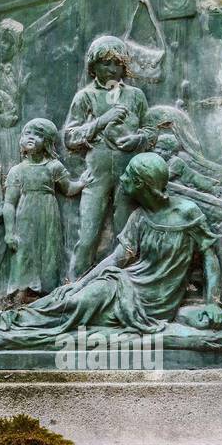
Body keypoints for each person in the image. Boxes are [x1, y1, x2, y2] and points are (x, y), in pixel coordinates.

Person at [0, 153, 222, 350]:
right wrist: (82, 281)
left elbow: (209, 255)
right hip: (125, 283)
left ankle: (3, 323)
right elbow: (118, 258)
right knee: (68, 296)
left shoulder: (186, 213)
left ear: (143, 185)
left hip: (150, 300)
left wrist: (213, 303)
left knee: (74, 306)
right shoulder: (140, 217)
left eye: (128, 177)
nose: (123, 180)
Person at [63, 34, 155, 279]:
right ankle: (75, 285)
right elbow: (70, 137)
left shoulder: (135, 95)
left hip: (129, 174)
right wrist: (102, 121)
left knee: (126, 234)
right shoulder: (85, 96)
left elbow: (150, 130)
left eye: (117, 64)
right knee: (88, 235)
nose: (112, 69)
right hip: (97, 173)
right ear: (93, 67)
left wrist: (138, 139)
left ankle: (125, 283)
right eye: (106, 63)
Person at [3, 118, 88, 296]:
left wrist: (82, 182)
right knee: (24, 251)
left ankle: (49, 291)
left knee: (49, 250)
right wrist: (9, 232)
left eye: (38, 135)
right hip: (25, 217)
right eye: (28, 133)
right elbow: (9, 203)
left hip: (48, 215)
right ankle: (21, 293)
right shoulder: (17, 170)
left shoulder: (54, 166)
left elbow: (69, 189)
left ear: (47, 142)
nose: (31, 137)